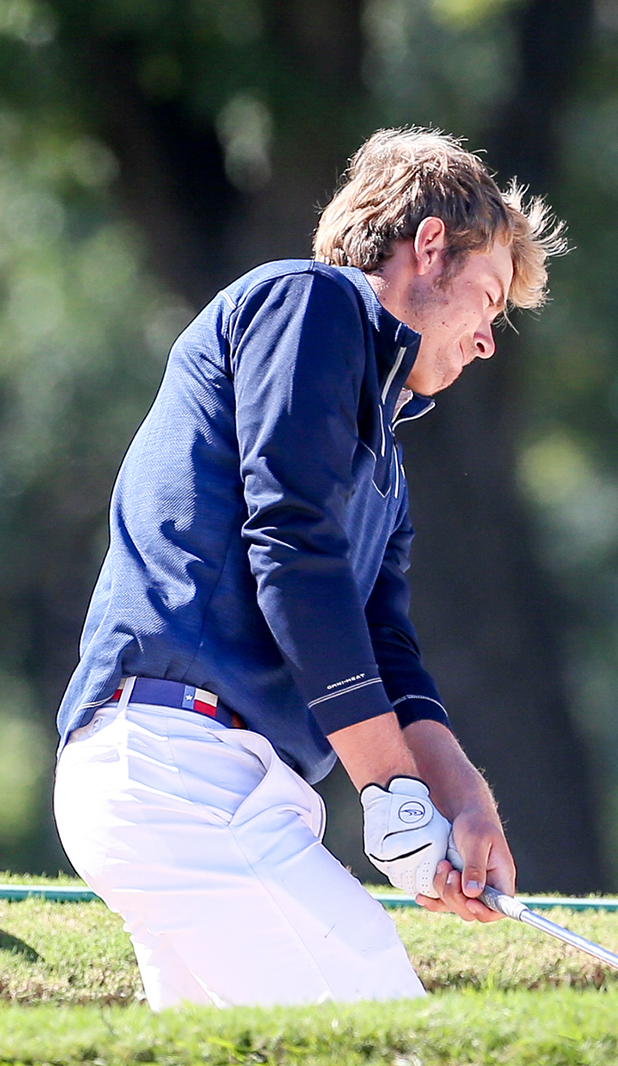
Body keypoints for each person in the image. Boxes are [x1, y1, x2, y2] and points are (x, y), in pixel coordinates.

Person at [49, 128, 566, 1009]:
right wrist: (389, 788)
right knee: (393, 1033)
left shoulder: (385, 467)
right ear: (429, 246)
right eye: (486, 298)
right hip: (178, 773)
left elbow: (385, 651)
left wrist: (459, 793)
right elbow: (292, 548)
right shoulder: (311, 300)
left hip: (227, 791)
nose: (488, 341)